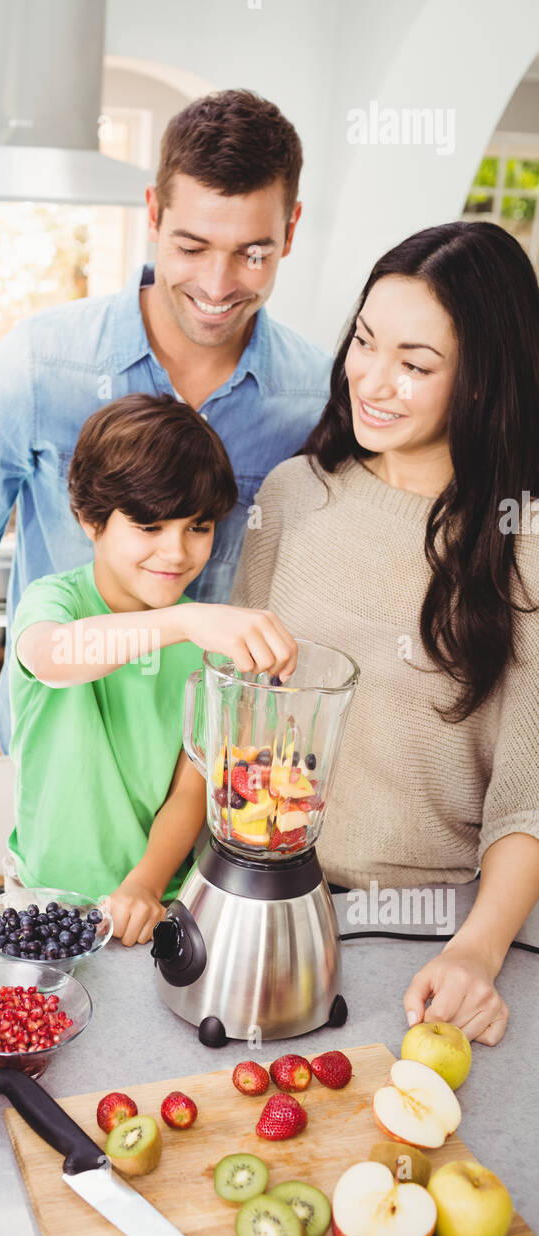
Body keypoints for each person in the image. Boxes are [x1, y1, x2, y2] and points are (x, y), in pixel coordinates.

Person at [0, 88, 330, 833]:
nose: (217, 286)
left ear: (291, 229)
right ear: (152, 213)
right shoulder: (40, 364)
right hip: (55, 768)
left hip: (208, 785)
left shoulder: (314, 399)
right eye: (190, 246)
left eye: (252, 252)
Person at [230, 221, 539, 1044]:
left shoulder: (522, 542)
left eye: (415, 364)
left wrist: (475, 954)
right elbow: (236, 713)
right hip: (266, 911)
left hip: (433, 937)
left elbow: (528, 798)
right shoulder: (294, 494)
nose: (372, 379)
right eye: (365, 341)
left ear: (483, 380)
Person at [7, 393, 298, 946]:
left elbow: (191, 792)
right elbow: (54, 658)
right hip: (46, 896)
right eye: (149, 527)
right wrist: (184, 620)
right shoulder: (56, 603)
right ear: (91, 520)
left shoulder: (208, 642)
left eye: (199, 526)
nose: (177, 552)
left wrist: (144, 884)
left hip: (162, 898)